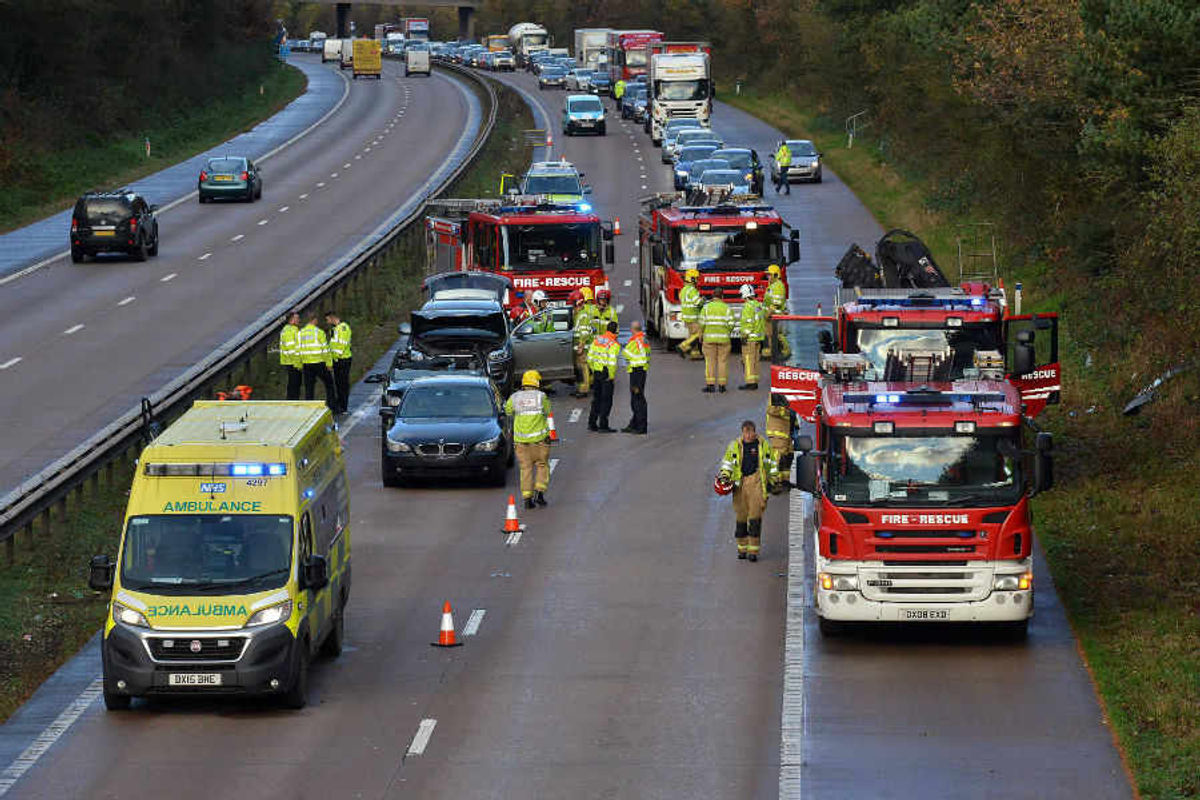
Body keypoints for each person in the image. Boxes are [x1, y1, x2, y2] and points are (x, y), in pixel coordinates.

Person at [718, 420, 781, 561]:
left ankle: (753, 551)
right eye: (745, 432)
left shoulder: (763, 445)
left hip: (756, 483)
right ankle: (742, 548)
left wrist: (775, 479)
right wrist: (724, 476)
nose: (747, 435)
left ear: (754, 432)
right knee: (741, 517)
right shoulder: (734, 446)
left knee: (754, 517)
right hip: (739, 485)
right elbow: (727, 464)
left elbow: (770, 464)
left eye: (750, 432)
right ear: (742, 432)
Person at [505, 370, 553, 510]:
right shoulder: (541, 397)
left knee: (525, 469)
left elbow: (508, 411)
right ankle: (539, 492)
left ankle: (527, 498)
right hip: (540, 442)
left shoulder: (514, 397)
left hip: (521, 443)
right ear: (537, 382)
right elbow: (547, 410)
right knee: (542, 465)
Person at [297, 311, 337, 411]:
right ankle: (331, 406)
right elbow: (325, 349)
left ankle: (309, 408)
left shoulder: (300, 333)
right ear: (314, 320)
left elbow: (298, 349)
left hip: (307, 364)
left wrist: (299, 363)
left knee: (309, 387)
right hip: (319, 362)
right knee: (329, 384)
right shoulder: (318, 332)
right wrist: (329, 363)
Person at [587, 320, 620, 432]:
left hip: (596, 371)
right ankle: (603, 425)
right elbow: (611, 362)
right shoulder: (614, 344)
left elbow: (590, 357)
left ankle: (592, 423)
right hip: (606, 374)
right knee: (606, 400)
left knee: (596, 399)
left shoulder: (597, 339)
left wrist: (593, 369)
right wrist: (611, 376)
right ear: (616, 331)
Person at [699, 288, 734, 393]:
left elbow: (701, 324)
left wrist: (701, 335)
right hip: (724, 340)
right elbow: (731, 324)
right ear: (722, 296)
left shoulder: (706, 308)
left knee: (710, 362)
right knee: (722, 362)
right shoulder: (727, 308)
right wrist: (725, 332)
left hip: (709, 339)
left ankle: (710, 386)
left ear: (712, 296)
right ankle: (722, 386)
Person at [621, 320, 650, 434]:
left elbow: (626, 353)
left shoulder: (635, 341)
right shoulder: (644, 339)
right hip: (641, 371)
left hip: (636, 372)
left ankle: (640, 426)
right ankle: (634, 424)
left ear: (633, 330)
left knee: (637, 399)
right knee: (637, 398)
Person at [737, 284, 766, 390]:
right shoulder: (758, 305)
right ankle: (755, 380)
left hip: (750, 338)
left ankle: (750, 383)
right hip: (758, 337)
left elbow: (748, 323)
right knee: (755, 361)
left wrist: (744, 335)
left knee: (748, 360)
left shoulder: (747, 307)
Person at [572, 287, 597, 398]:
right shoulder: (581, 313)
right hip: (582, 345)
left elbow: (584, 332)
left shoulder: (583, 315)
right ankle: (582, 387)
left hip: (584, 347)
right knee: (582, 367)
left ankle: (584, 389)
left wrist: (581, 346)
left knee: (583, 368)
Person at [325, 311, 352, 413]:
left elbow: (341, 346)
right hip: (337, 360)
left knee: (343, 384)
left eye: (328, 319)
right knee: (339, 383)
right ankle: (339, 404)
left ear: (332, 318)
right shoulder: (335, 329)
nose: (327, 322)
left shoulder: (343, 328)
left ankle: (343, 406)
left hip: (343, 359)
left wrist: (335, 357)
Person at [677, 268, 704, 359]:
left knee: (692, 335)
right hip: (693, 317)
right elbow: (698, 303)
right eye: (696, 278)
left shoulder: (683, 290)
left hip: (686, 317)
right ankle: (683, 346)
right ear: (692, 279)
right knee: (698, 335)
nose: (697, 280)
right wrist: (703, 301)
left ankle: (695, 353)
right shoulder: (692, 290)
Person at [279, 311, 302, 400]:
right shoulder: (289, 331)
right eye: (297, 318)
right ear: (292, 320)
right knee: (294, 384)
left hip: (292, 361)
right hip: (292, 362)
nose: (299, 320)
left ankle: (293, 401)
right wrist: (297, 363)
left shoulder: (291, 329)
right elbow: (291, 349)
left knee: (294, 383)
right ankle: (292, 401)